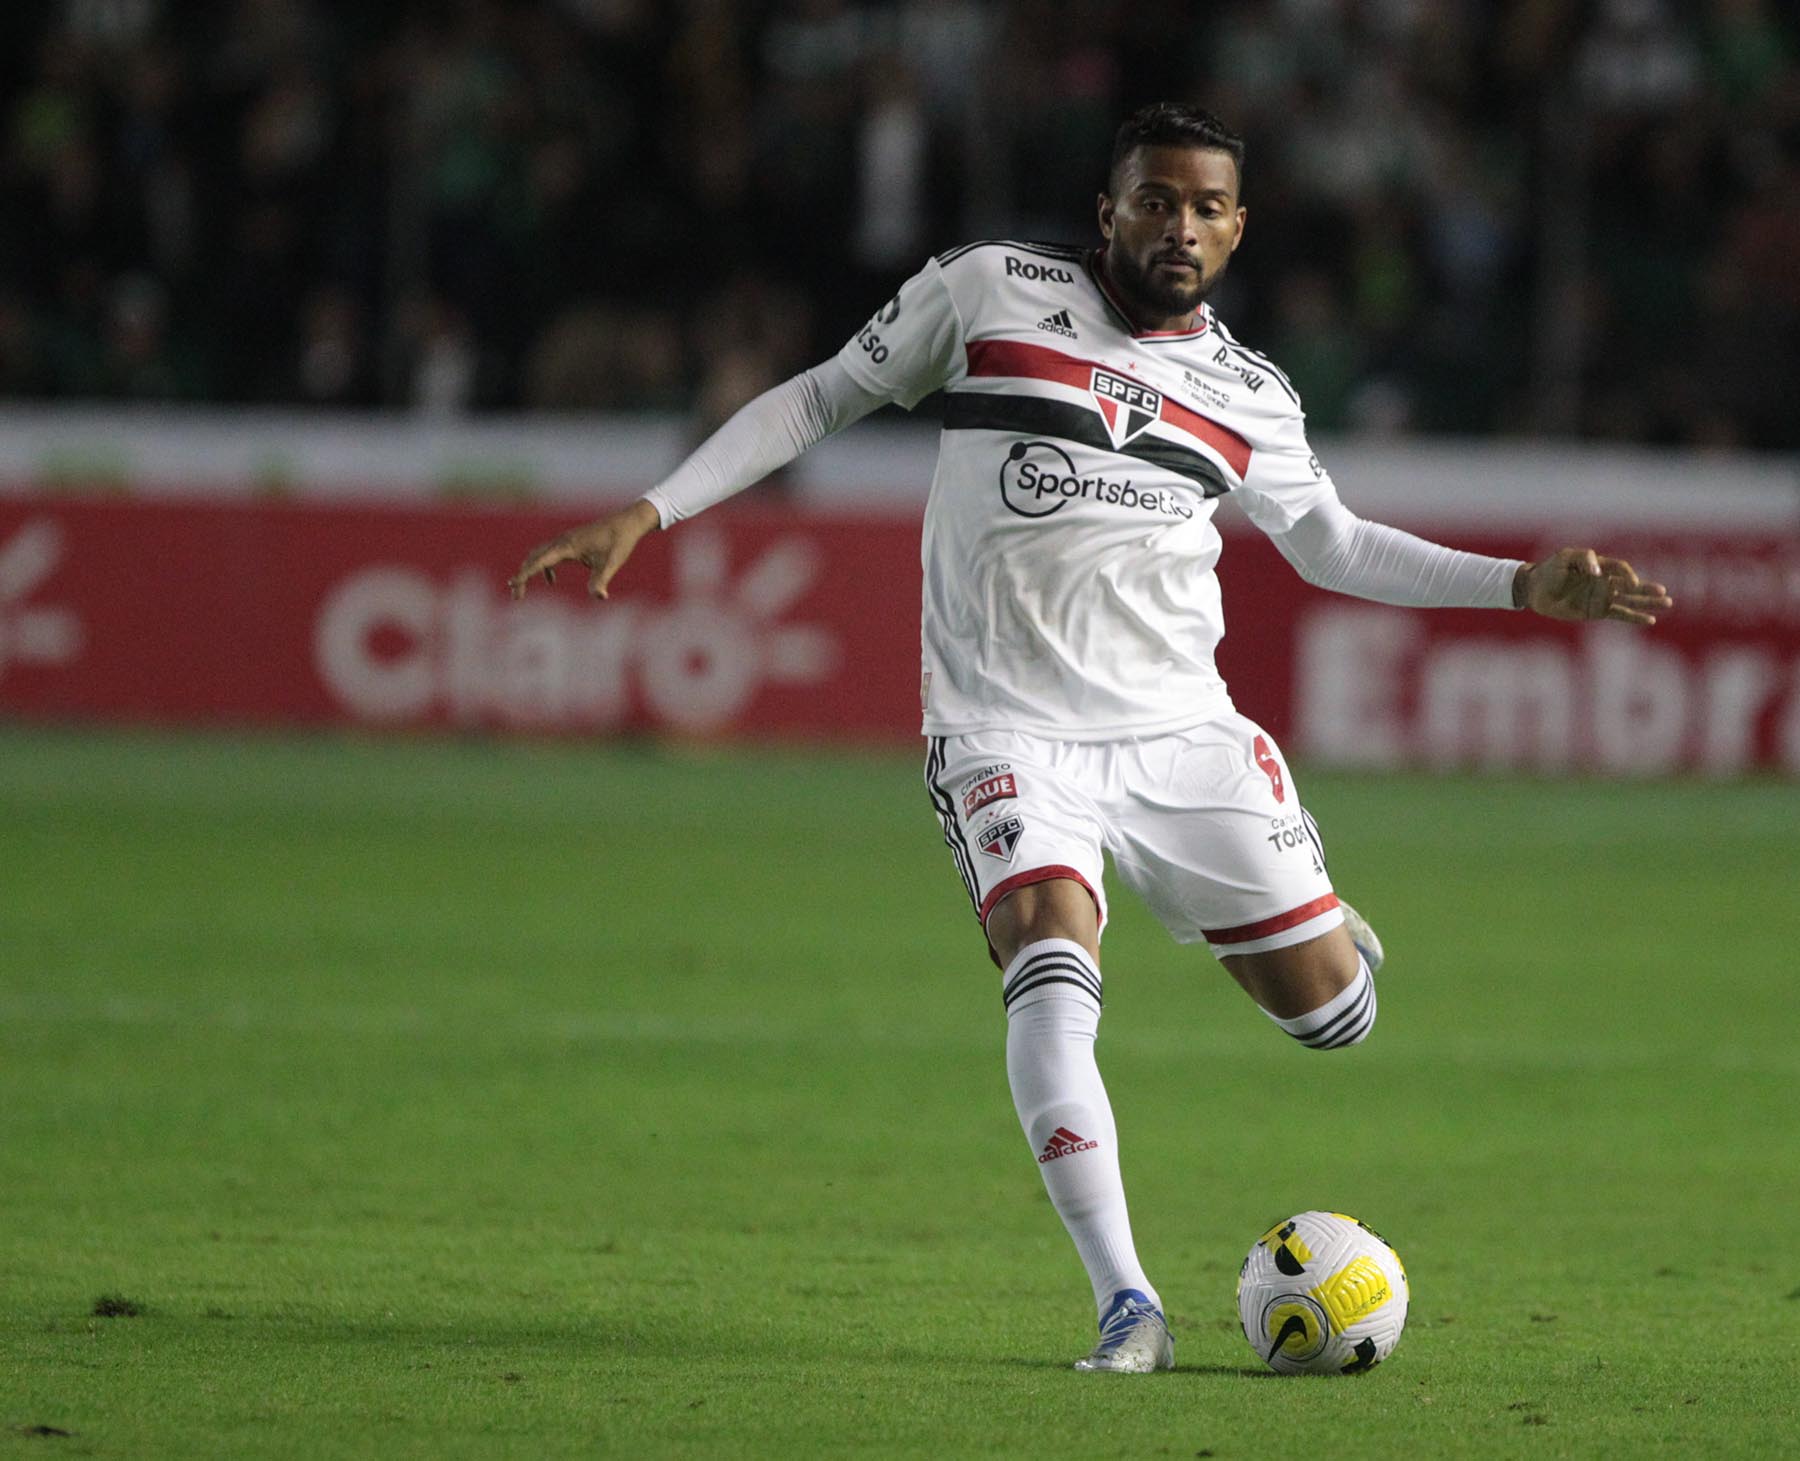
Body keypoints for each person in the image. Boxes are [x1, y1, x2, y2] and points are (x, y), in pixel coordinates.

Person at [509, 103, 1671, 1374]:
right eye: (1154, 200)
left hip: (1181, 738)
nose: (1178, 225)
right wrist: (651, 510)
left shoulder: (1248, 394)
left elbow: (1335, 545)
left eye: (1205, 207)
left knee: (1336, 1019)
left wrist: (1518, 585)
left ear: (1237, 228)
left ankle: (1311, 913)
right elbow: (818, 400)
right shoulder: (988, 293)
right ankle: (1128, 1305)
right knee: (1050, 975)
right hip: (1004, 731)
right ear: (1106, 211)